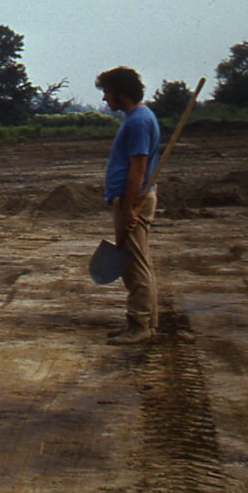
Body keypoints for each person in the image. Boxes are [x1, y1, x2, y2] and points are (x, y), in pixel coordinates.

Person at [96, 66, 160, 344]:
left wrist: (130, 207)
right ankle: (145, 322)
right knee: (137, 261)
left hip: (133, 199)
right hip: (130, 199)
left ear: (120, 94)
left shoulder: (138, 122)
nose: (104, 99)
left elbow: (139, 167)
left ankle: (140, 325)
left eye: (107, 93)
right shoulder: (137, 118)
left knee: (134, 264)